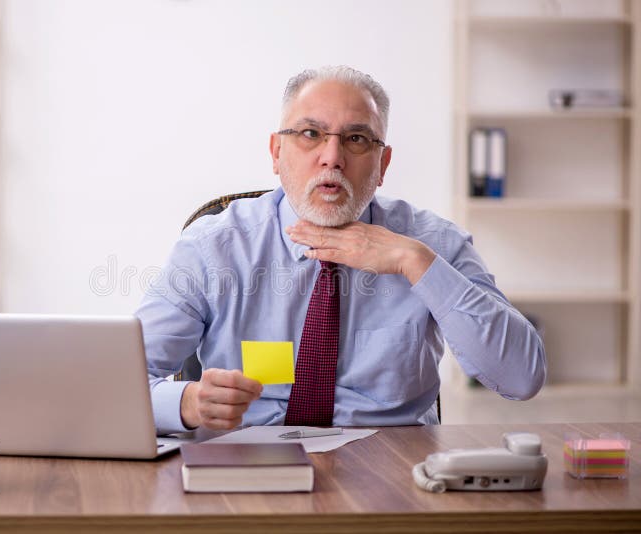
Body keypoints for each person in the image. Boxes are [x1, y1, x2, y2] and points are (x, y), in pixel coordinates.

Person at [136, 65, 546, 434]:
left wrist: (416, 263)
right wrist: (187, 404)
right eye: (310, 134)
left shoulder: (434, 244)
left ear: (382, 165)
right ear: (277, 153)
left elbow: (521, 378)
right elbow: (118, 386)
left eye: (356, 139)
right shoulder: (214, 249)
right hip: (251, 471)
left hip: (390, 477)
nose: (332, 158)